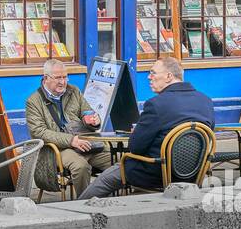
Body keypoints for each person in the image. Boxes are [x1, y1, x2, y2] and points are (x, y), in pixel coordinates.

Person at [79, 56, 215, 199]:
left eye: (153, 73)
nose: (149, 77)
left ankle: (77, 212)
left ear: (169, 76)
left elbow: (135, 147)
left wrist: (138, 132)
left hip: (155, 171)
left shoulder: (156, 104)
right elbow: (207, 135)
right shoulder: (205, 100)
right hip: (194, 172)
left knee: (106, 178)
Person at [23, 59, 108, 197]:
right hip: (56, 149)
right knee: (80, 166)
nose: (63, 82)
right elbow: (38, 132)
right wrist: (70, 140)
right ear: (46, 78)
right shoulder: (33, 101)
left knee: (116, 159)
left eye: (64, 77)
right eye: (58, 78)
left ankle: (116, 199)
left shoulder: (73, 91)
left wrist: (92, 120)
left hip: (83, 143)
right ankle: (85, 202)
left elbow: (87, 111)